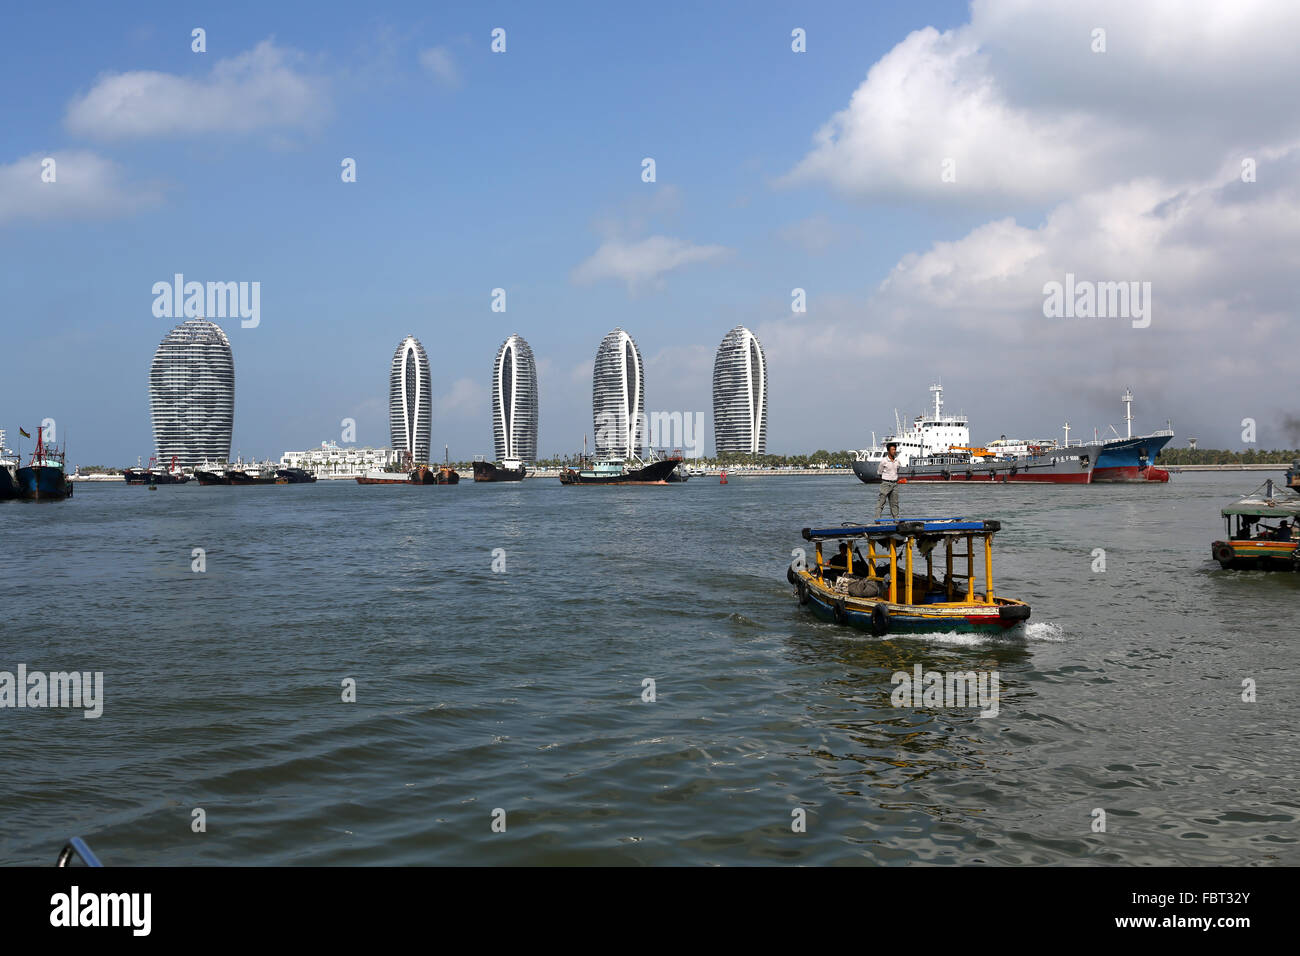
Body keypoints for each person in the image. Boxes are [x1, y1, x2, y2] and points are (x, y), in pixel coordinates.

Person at [875, 441, 902, 521]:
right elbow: (879, 472)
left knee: (895, 503)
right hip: (885, 483)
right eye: (892, 450)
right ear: (888, 451)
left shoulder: (897, 460)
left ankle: (896, 520)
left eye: (895, 449)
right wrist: (885, 479)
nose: (894, 451)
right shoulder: (884, 461)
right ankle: (877, 520)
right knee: (881, 502)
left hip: (895, 484)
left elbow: (897, 469)